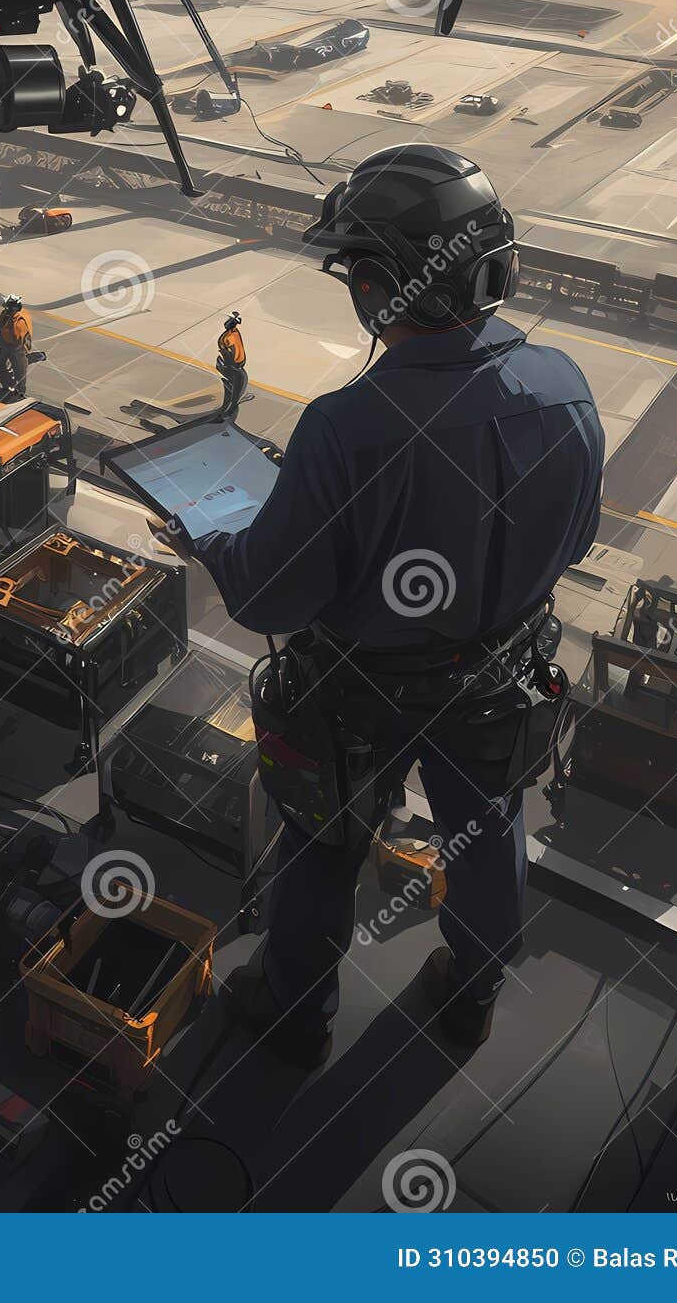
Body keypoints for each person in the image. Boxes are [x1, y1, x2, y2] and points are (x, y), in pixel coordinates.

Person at [183, 144, 604, 1065]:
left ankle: (295, 1012)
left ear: (378, 293)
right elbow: (575, 538)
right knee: (490, 835)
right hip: (495, 677)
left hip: (359, 694)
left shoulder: (346, 424)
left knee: (325, 848)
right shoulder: (568, 386)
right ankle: (475, 991)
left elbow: (270, 591)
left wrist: (207, 542)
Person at [0, 294, 33, 399]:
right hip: (4, 345)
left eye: (9, 308)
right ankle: (9, 386)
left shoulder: (20, 320)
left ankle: (20, 393)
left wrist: (12, 349)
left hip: (17, 349)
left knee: (20, 371)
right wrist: (1, 343)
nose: (7, 309)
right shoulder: (5, 314)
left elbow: (19, 340)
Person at [216, 310, 248, 417]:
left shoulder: (232, 337)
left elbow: (236, 355)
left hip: (233, 367)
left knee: (232, 395)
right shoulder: (231, 333)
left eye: (228, 320)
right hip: (231, 366)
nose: (226, 322)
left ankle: (226, 412)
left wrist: (227, 365)